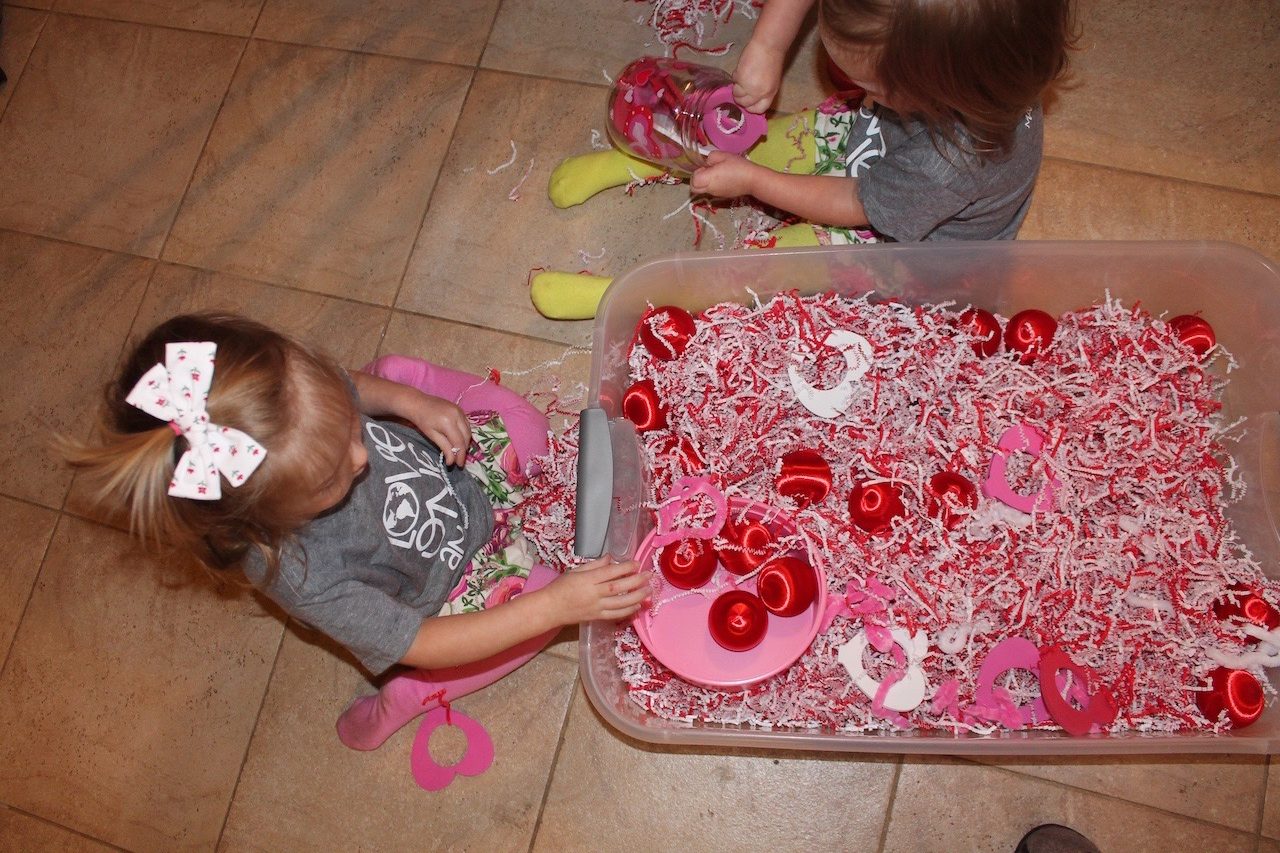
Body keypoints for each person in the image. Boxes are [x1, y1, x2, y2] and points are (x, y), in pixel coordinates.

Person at [62, 313, 651, 750]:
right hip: (450, 587)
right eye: (328, 478)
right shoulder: (305, 577)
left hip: (455, 470)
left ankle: (402, 372)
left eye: (350, 426)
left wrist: (409, 400)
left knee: (529, 425)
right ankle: (412, 697)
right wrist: (550, 608)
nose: (359, 454)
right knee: (532, 617)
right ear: (263, 522)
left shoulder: (294, 397)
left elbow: (350, 388)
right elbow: (422, 641)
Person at [532, 0, 1077, 319]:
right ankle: (657, 161)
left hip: (905, 242)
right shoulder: (951, 70)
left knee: (766, 268)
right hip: (887, 150)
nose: (849, 82)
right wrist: (769, 45)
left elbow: (855, 202)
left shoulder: (952, 160)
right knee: (774, 132)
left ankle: (629, 295)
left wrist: (754, 181)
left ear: (936, 95)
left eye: (871, 84)